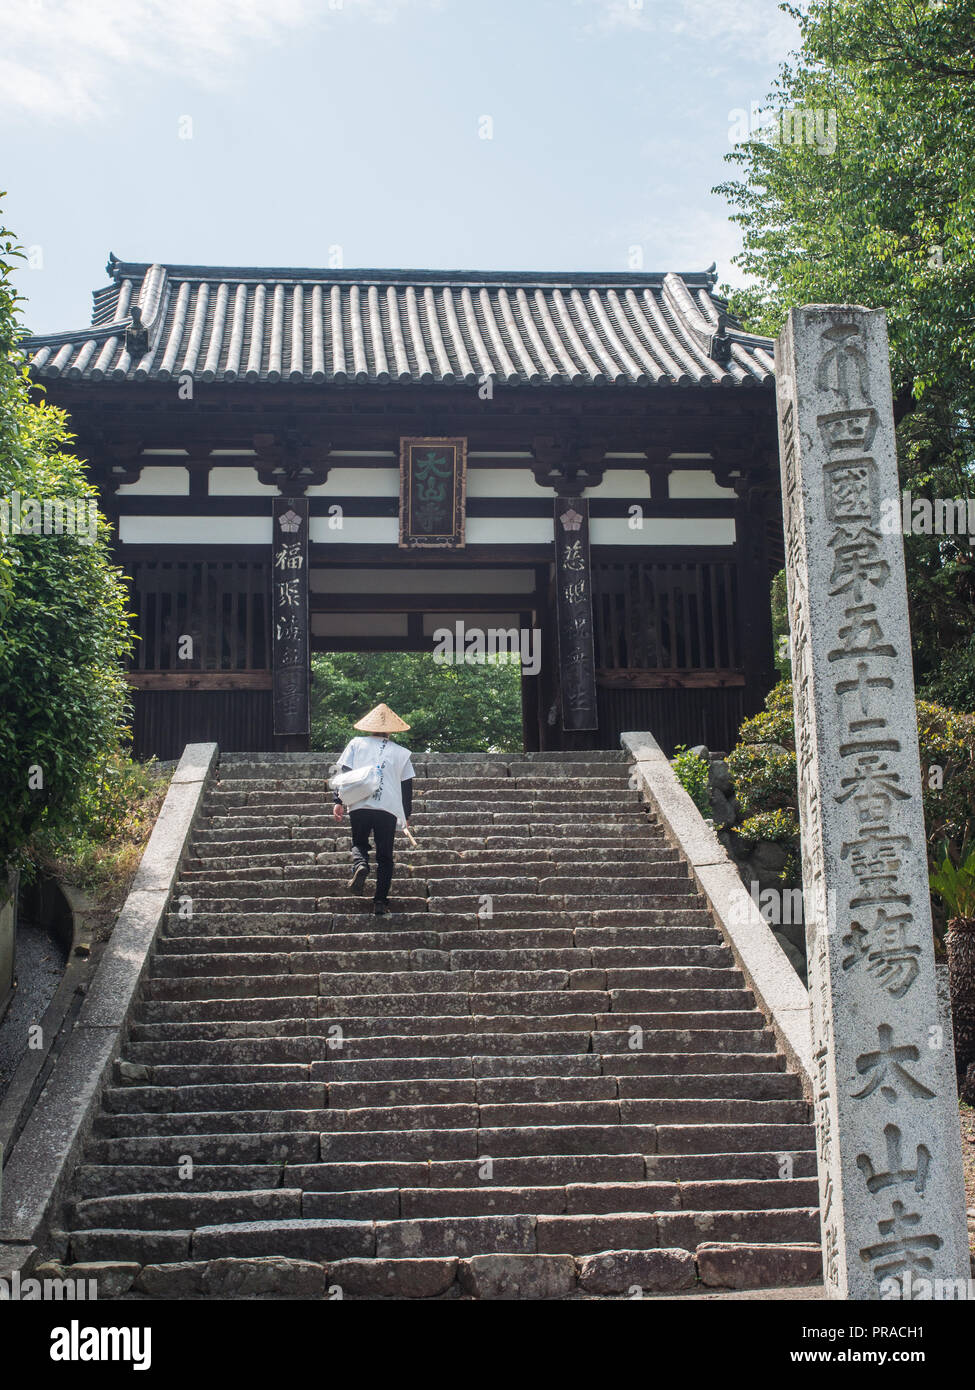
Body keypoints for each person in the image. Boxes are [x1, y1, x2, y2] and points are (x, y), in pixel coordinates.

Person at [331, 703, 415, 917]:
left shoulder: (356, 743)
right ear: (390, 730)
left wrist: (338, 801)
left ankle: (361, 864)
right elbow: (407, 788)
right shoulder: (402, 753)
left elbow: (344, 774)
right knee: (385, 857)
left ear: (369, 727)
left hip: (359, 803)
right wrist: (405, 817)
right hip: (387, 809)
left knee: (359, 842)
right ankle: (379, 901)